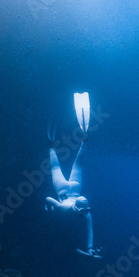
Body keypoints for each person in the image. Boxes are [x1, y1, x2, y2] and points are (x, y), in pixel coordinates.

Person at [45, 93, 102, 258]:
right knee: (55, 167)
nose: (83, 214)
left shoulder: (83, 211)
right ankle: (51, 144)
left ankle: (84, 142)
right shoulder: (70, 209)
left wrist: (90, 249)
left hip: (75, 187)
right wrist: (51, 207)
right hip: (63, 190)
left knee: (77, 163)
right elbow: (49, 199)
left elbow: (90, 232)